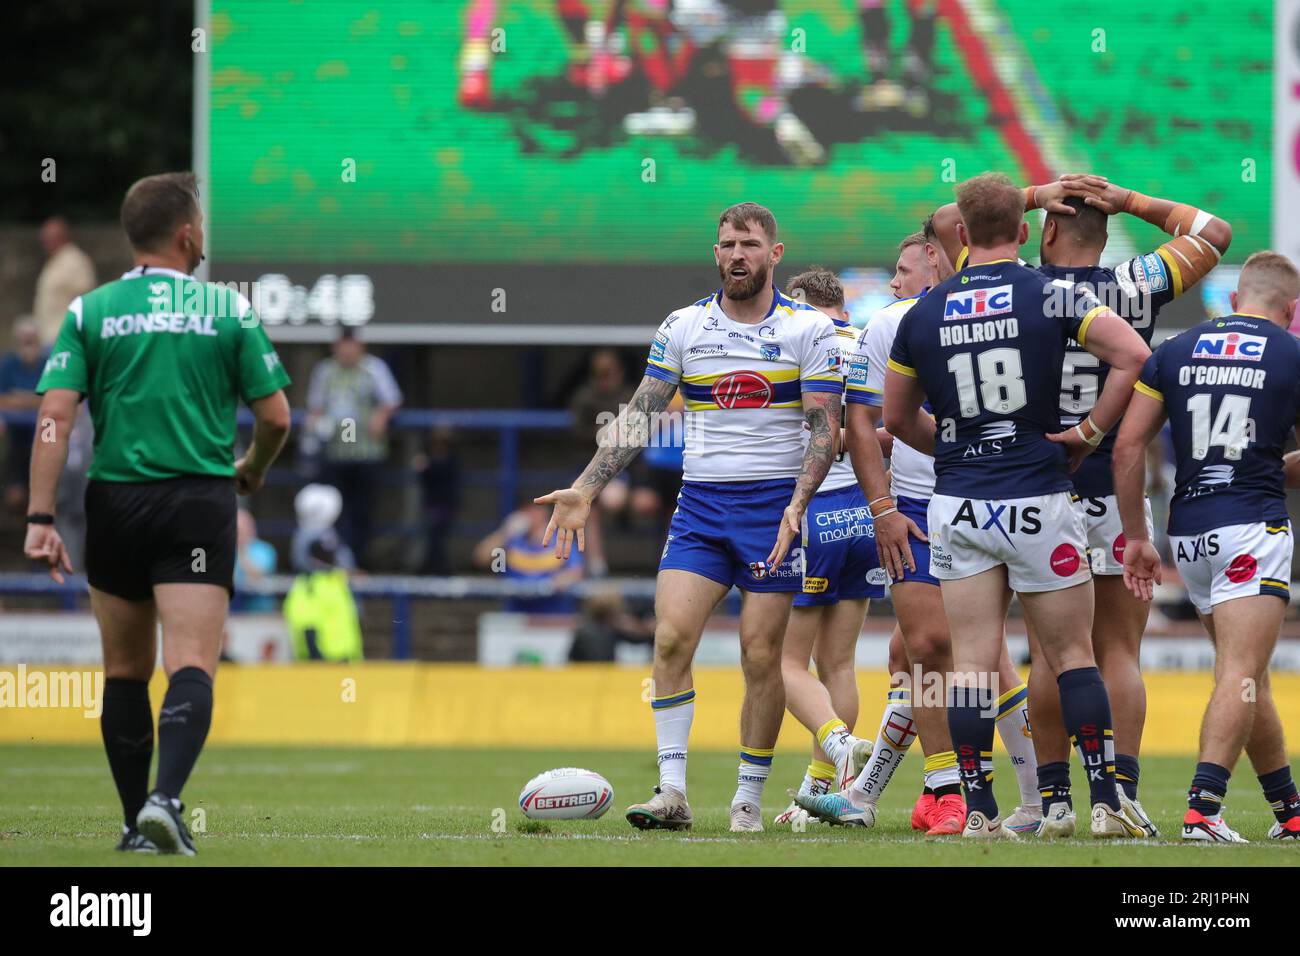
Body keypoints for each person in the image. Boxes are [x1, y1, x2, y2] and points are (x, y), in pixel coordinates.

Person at [536, 202, 842, 832]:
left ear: (774, 255)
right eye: (728, 244)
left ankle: (747, 800)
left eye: (750, 244)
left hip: (772, 512)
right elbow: (641, 412)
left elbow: (824, 428)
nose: (738, 254)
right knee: (671, 638)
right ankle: (672, 792)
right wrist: (585, 489)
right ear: (715, 253)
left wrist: (798, 505)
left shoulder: (807, 330)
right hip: (701, 508)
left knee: (761, 658)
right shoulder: (683, 326)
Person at [24, 171, 291, 856]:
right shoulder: (229, 312)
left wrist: (40, 518)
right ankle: (166, 801)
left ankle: (129, 825)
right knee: (192, 661)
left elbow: (54, 416)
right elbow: (276, 418)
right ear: (184, 234)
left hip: (115, 502)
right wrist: (253, 470)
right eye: (200, 225)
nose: (203, 236)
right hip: (197, 502)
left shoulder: (89, 312)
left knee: (123, 671)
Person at [881, 172, 1151, 839]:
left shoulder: (924, 312)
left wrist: (954, 448)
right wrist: (1086, 435)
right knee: (1071, 655)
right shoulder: (1052, 292)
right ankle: (1103, 805)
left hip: (960, 504)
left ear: (963, 237)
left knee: (971, 662)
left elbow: (894, 419)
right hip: (1039, 495)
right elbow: (1133, 354)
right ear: (1026, 233)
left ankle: (978, 810)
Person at [799, 228, 1044, 834]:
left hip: (990, 497)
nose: (894, 281)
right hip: (915, 505)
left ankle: (1016, 797)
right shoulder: (892, 324)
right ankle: (898, 793)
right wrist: (884, 504)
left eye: (904, 269)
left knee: (959, 656)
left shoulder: (1000, 311)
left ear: (936, 257)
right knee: (920, 650)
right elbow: (867, 422)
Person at [1028, 179, 1232, 837]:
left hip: (1042, 481)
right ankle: (1119, 800)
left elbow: (947, 221)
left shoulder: (1019, 288)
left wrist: (1034, 194)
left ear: (1051, 230)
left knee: (1048, 651)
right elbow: (1214, 232)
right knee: (1120, 649)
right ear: (1105, 229)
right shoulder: (1138, 281)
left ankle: (1053, 802)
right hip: (1117, 483)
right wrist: (1128, 198)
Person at [1117, 250, 1300, 843]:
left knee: (1246, 677)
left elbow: (1127, 450)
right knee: (1243, 672)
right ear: (1291, 309)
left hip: (1189, 535)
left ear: (1232, 298)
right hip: (1252, 526)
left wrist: (1138, 538)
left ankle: (1289, 811)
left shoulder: (1174, 351)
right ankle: (1203, 808)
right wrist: (1270, 466)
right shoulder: (1293, 354)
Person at [770, 267, 882, 827]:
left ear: (798, 301)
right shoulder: (866, 342)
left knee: (779, 660)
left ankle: (837, 745)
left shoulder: (793, 340)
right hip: (865, 516)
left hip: (811, 514)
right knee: (838, 663)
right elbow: (884, 428)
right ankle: (823, 796)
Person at [305, 327, 402, 566]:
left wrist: (381, 415)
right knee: (332, 511)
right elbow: (314, 409)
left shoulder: (374, 368)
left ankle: (360, 562)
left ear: (361, 346)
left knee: (363, 512)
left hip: (366, 453)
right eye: (342, 345)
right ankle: (332, 561)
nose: (347, 350)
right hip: (334, 454)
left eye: (351, 345)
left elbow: (392, 400)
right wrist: (313, 431)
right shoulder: (325, 371)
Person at [568, 348, 636, 577]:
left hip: (620, 467)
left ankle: (624, 527)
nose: (606, 378)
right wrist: (598, 434)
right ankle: (597, 566)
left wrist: (617, 435)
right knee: (584, 502)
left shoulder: (629, 396)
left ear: (619, 372)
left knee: (612, 499)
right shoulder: (584, 397)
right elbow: (577, 433)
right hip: (588, 464)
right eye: (600, 373)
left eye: (610, 372)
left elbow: (641, 433)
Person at [473, 502, 584, 614]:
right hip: (516, 612)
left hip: (552, 612)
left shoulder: (562, 542)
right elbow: (481, 558)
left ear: (545, 513)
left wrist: (556, 582)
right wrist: (505, 532)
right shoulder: (511, 542)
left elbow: (576, 572)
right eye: (527, 511)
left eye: (535, 510)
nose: (531, 515)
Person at [0, 317, 49, 508]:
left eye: (32, 339)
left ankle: (47, 488)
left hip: (47, 422)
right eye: (25, 339)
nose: (29, 344)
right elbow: (3, 400)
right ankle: (15, 487)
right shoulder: (8, 364)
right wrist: (35, 399)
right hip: (15, 426)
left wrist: (20, 398)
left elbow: (54, 400)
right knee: (14, 444)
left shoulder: (49, 363)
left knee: (50, 442)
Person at [33, 216, 96, 347]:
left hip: (64, 338)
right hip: (49, 337)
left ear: (62, 236)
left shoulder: (75, 260)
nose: (45, 241)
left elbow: (87, 297)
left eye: (49, 237)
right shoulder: (55, 260)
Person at [568, 590, 655, 662]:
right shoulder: (613, 631)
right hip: (605, 672)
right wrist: (642, 628)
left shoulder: (583, 630)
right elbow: (639, 638)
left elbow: (571, 657)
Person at [232, 509, 277, 614]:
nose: (239, 532)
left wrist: (241, 549)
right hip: (232, 611)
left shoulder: (265, 549)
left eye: (242, 528)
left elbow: (257, 575)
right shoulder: (223, 550)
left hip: (259, 612)